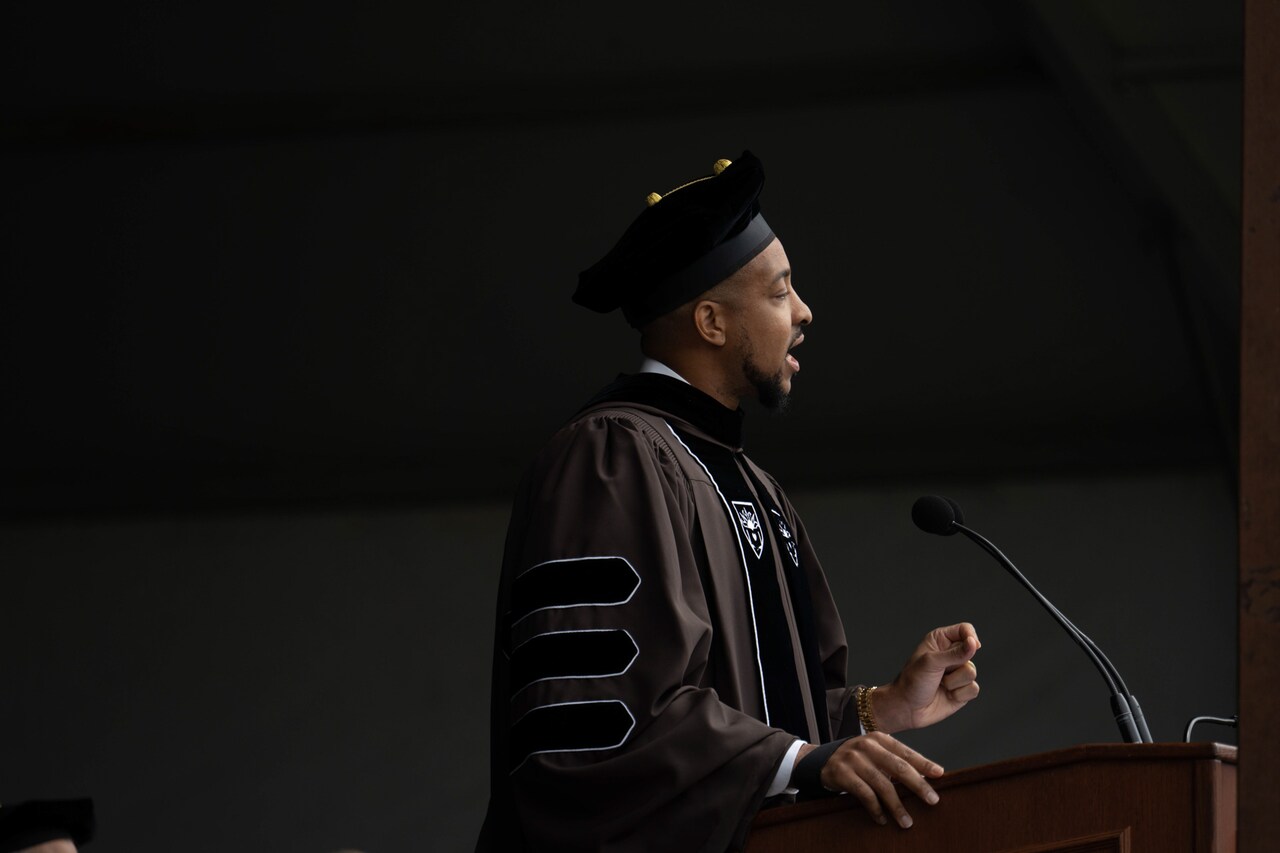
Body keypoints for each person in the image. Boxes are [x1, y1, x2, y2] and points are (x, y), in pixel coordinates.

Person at [476, 152, 981, 852]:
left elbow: (760, 709)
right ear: (711, 322)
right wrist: (800, 761)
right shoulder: (610, 458)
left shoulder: (747, 480)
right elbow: (605, 716)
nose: (804, 311)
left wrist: (877, 708)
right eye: (779, 293)